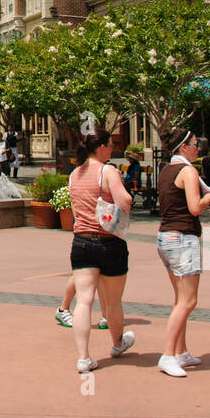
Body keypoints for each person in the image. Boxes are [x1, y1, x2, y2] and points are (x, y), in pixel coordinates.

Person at [155, 128, 210, 377]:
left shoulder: (166, 170)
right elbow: (195, 207)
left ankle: (181, 351)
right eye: (195, 144)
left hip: (166, 237)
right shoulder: (188, 171)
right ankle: (167, 355)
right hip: (183, 238)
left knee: (180, 300)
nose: (199, 148)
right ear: (183, 147)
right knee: (188, 300)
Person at [67, 128, 136, 373]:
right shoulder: (108, 171)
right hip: (109, 242)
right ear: (101, 148)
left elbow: (75, 211)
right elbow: (125, 201)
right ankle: (117, 344)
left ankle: (84, 357)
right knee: (113, 302)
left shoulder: (75, 174)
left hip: (81, 241)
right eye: (110, 145)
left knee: (84, 301)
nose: (113, 149)